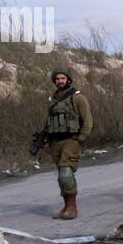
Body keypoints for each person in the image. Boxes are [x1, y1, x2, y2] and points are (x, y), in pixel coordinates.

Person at [40, 68, 92, 219]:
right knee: (61, 177)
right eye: (57, 79)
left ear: (68, 80)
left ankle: (72, 207)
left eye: (62, 78)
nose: (60, 81)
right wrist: (46, 141)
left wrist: (81, 138)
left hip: (71, 140)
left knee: (66, 174)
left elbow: (88, 120)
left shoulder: (78, 98)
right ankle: (66, 206)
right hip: (56, 142)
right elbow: (49, 122)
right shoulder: (53, 99)